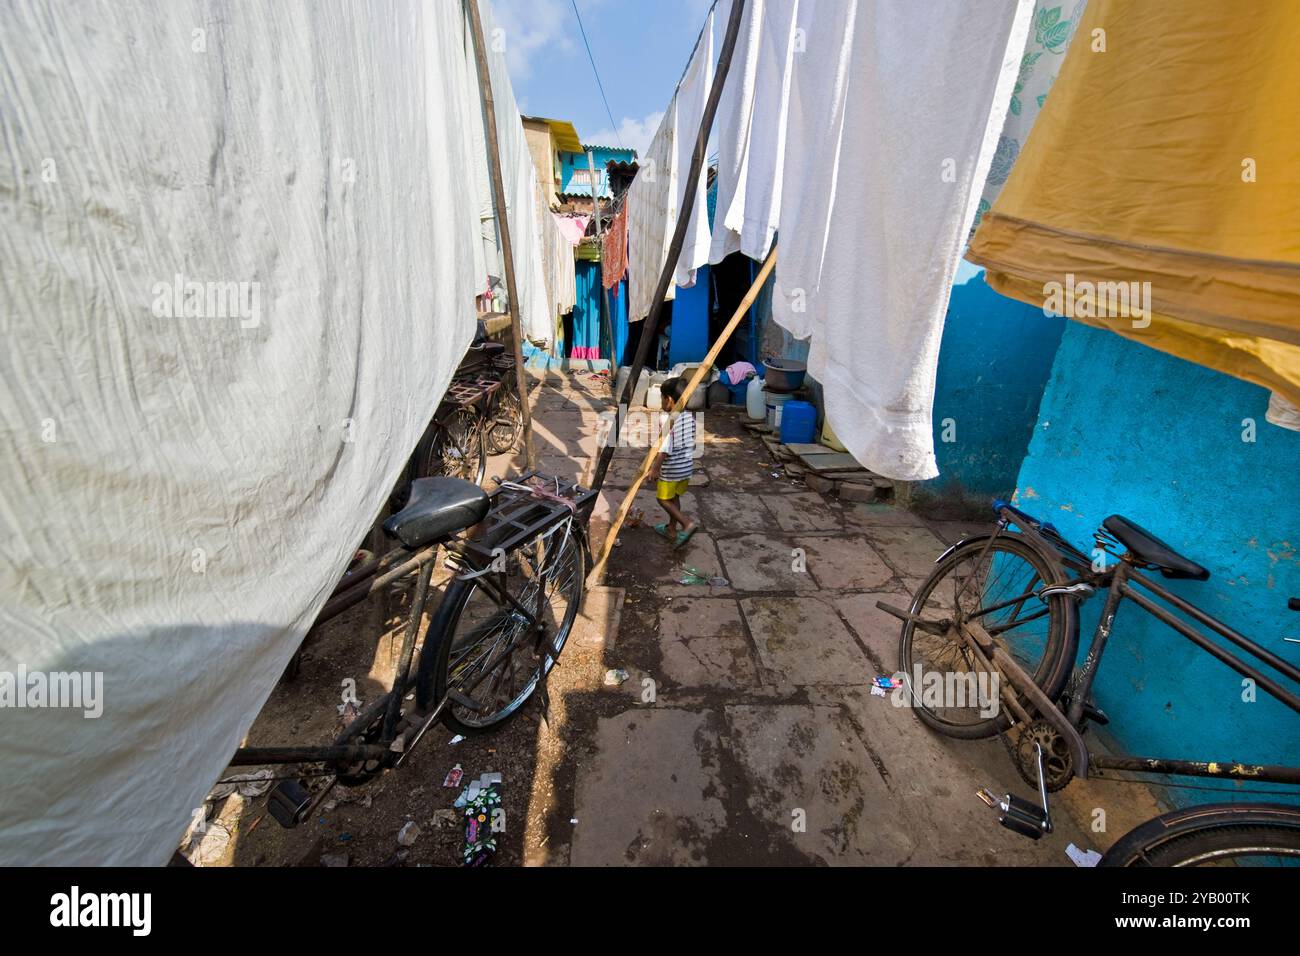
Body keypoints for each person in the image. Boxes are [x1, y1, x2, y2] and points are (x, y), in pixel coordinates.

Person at [651, 377, 698, 549]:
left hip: (671, 470)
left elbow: (665, 447)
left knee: (663, 499)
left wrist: (655, 468)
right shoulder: (690, 417)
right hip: (685, 468)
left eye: (662, 397)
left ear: (669, 399)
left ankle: (686, 524)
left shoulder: (667, 420)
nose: (661, 402)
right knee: (674, 497)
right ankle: (671, 529)